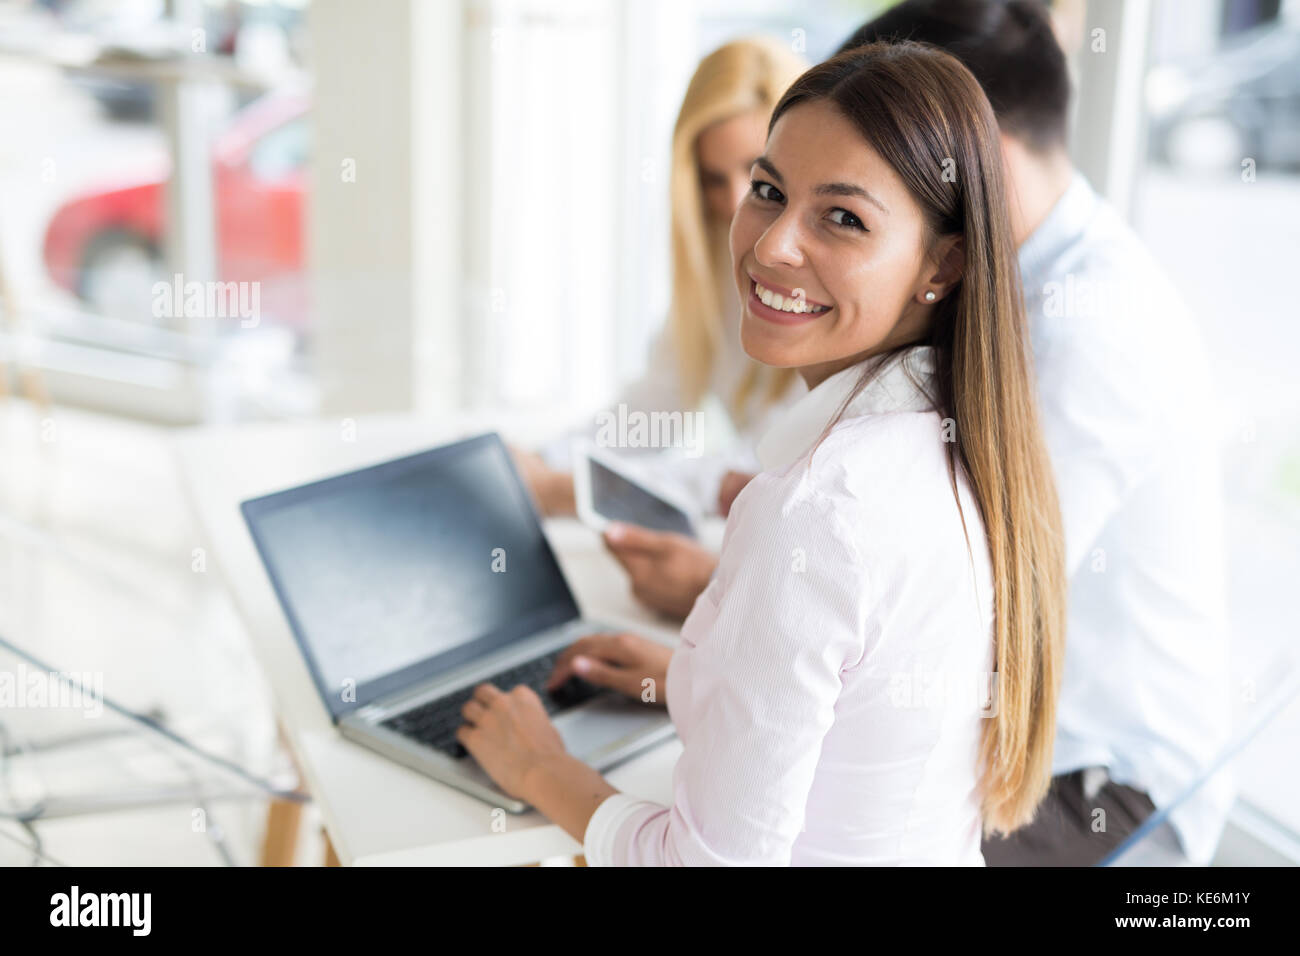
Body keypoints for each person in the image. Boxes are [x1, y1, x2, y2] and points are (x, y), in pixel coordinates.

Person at [454, 41, 1067, 865]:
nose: (772, 245)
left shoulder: (816, 512)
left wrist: (542, 769)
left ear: (943, 263)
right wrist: (693, 677)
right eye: (767, 192)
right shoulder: (961, 443)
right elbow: (866, 706)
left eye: (842, 218)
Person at [836, 0, 1232, 866]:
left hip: (1102, 798)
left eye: (885, 162)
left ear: (980, 153)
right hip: (1012, 743)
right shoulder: (1016, 275)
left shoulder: (1088, 328)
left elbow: (970, 607)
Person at [512, 37, 807, 619]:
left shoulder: (820, 287)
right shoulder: (717, 278)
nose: (733, 204)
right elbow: (652, 405)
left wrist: (568, 489)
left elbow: (756, 472)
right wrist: (536, 462)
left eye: (759, 180)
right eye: (710, 179)